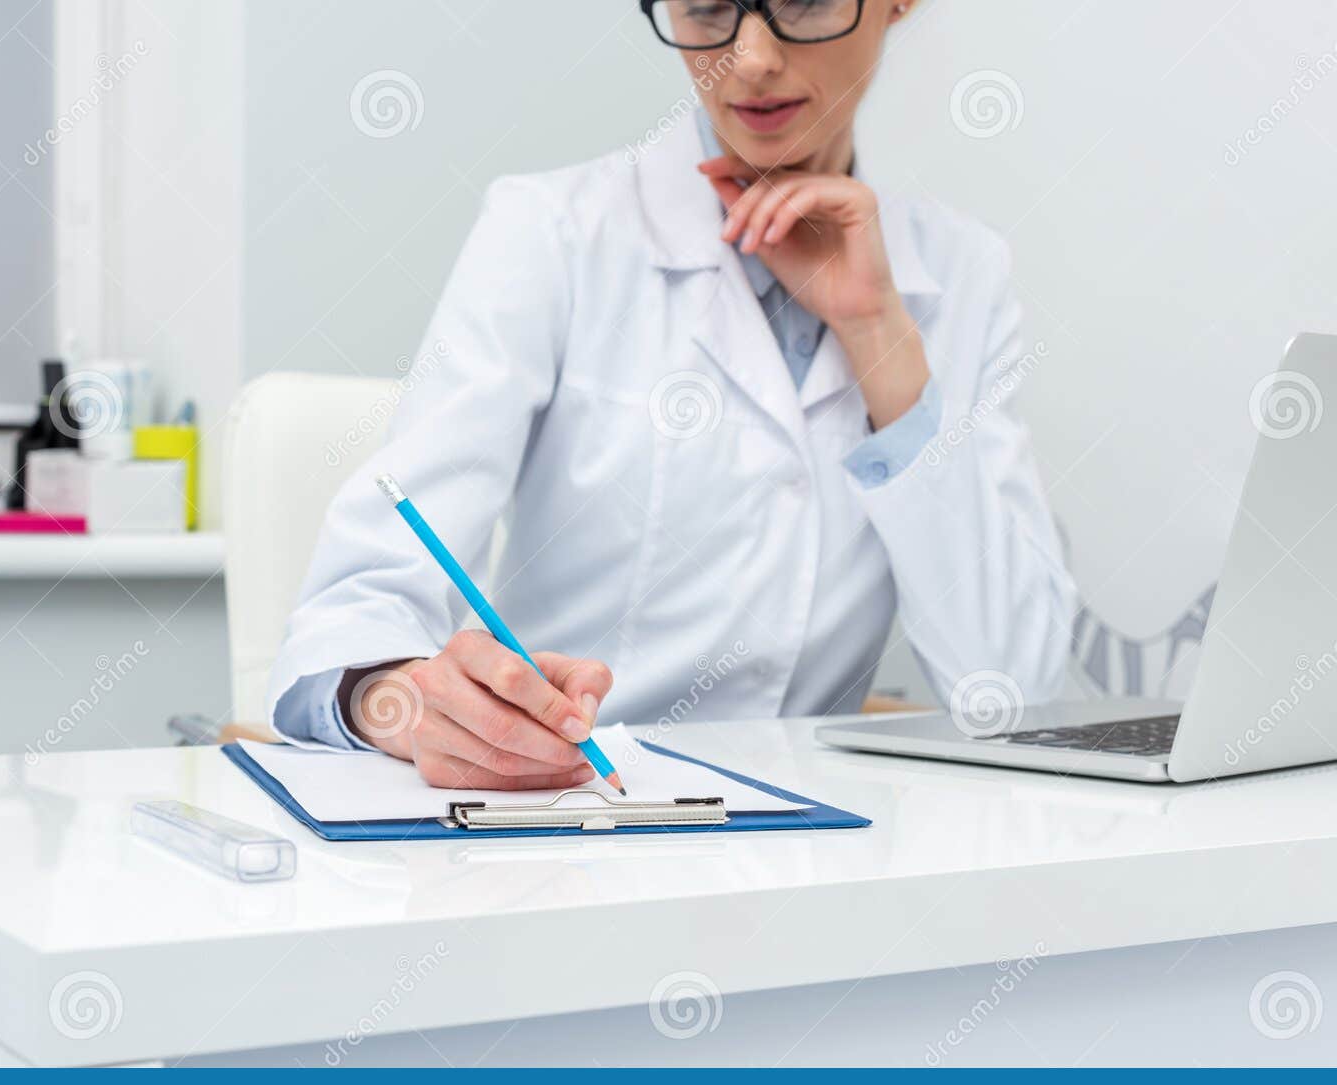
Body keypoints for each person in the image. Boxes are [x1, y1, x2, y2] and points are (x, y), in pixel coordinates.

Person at [266, 0, 1076, 790]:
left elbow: (1017, 688)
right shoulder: (551, 232)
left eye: (802, 2)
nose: (750, 59)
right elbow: (358, 609)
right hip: (571, 815)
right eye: (708, 8)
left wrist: (877, 335)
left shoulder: (965, 273)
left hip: (819, 839)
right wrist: (401, 699)